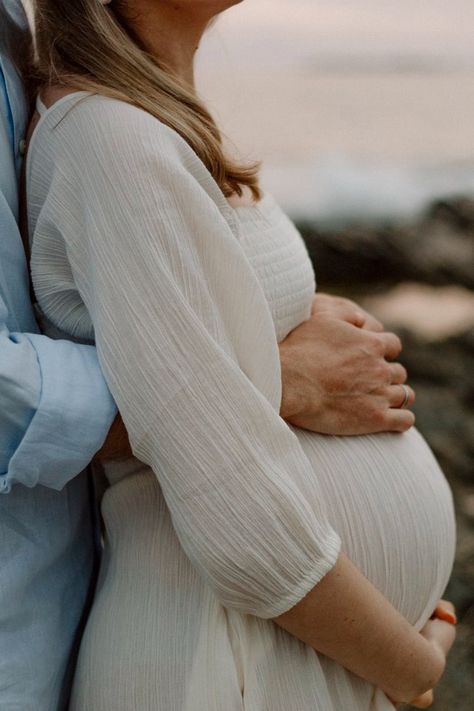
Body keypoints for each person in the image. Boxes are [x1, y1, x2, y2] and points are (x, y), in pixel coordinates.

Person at [26, 1, 457, 709]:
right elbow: (241, 516)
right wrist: (411, 666)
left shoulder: (147, 122)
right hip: (221, 660)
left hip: (267, 654)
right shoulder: (110, 137)